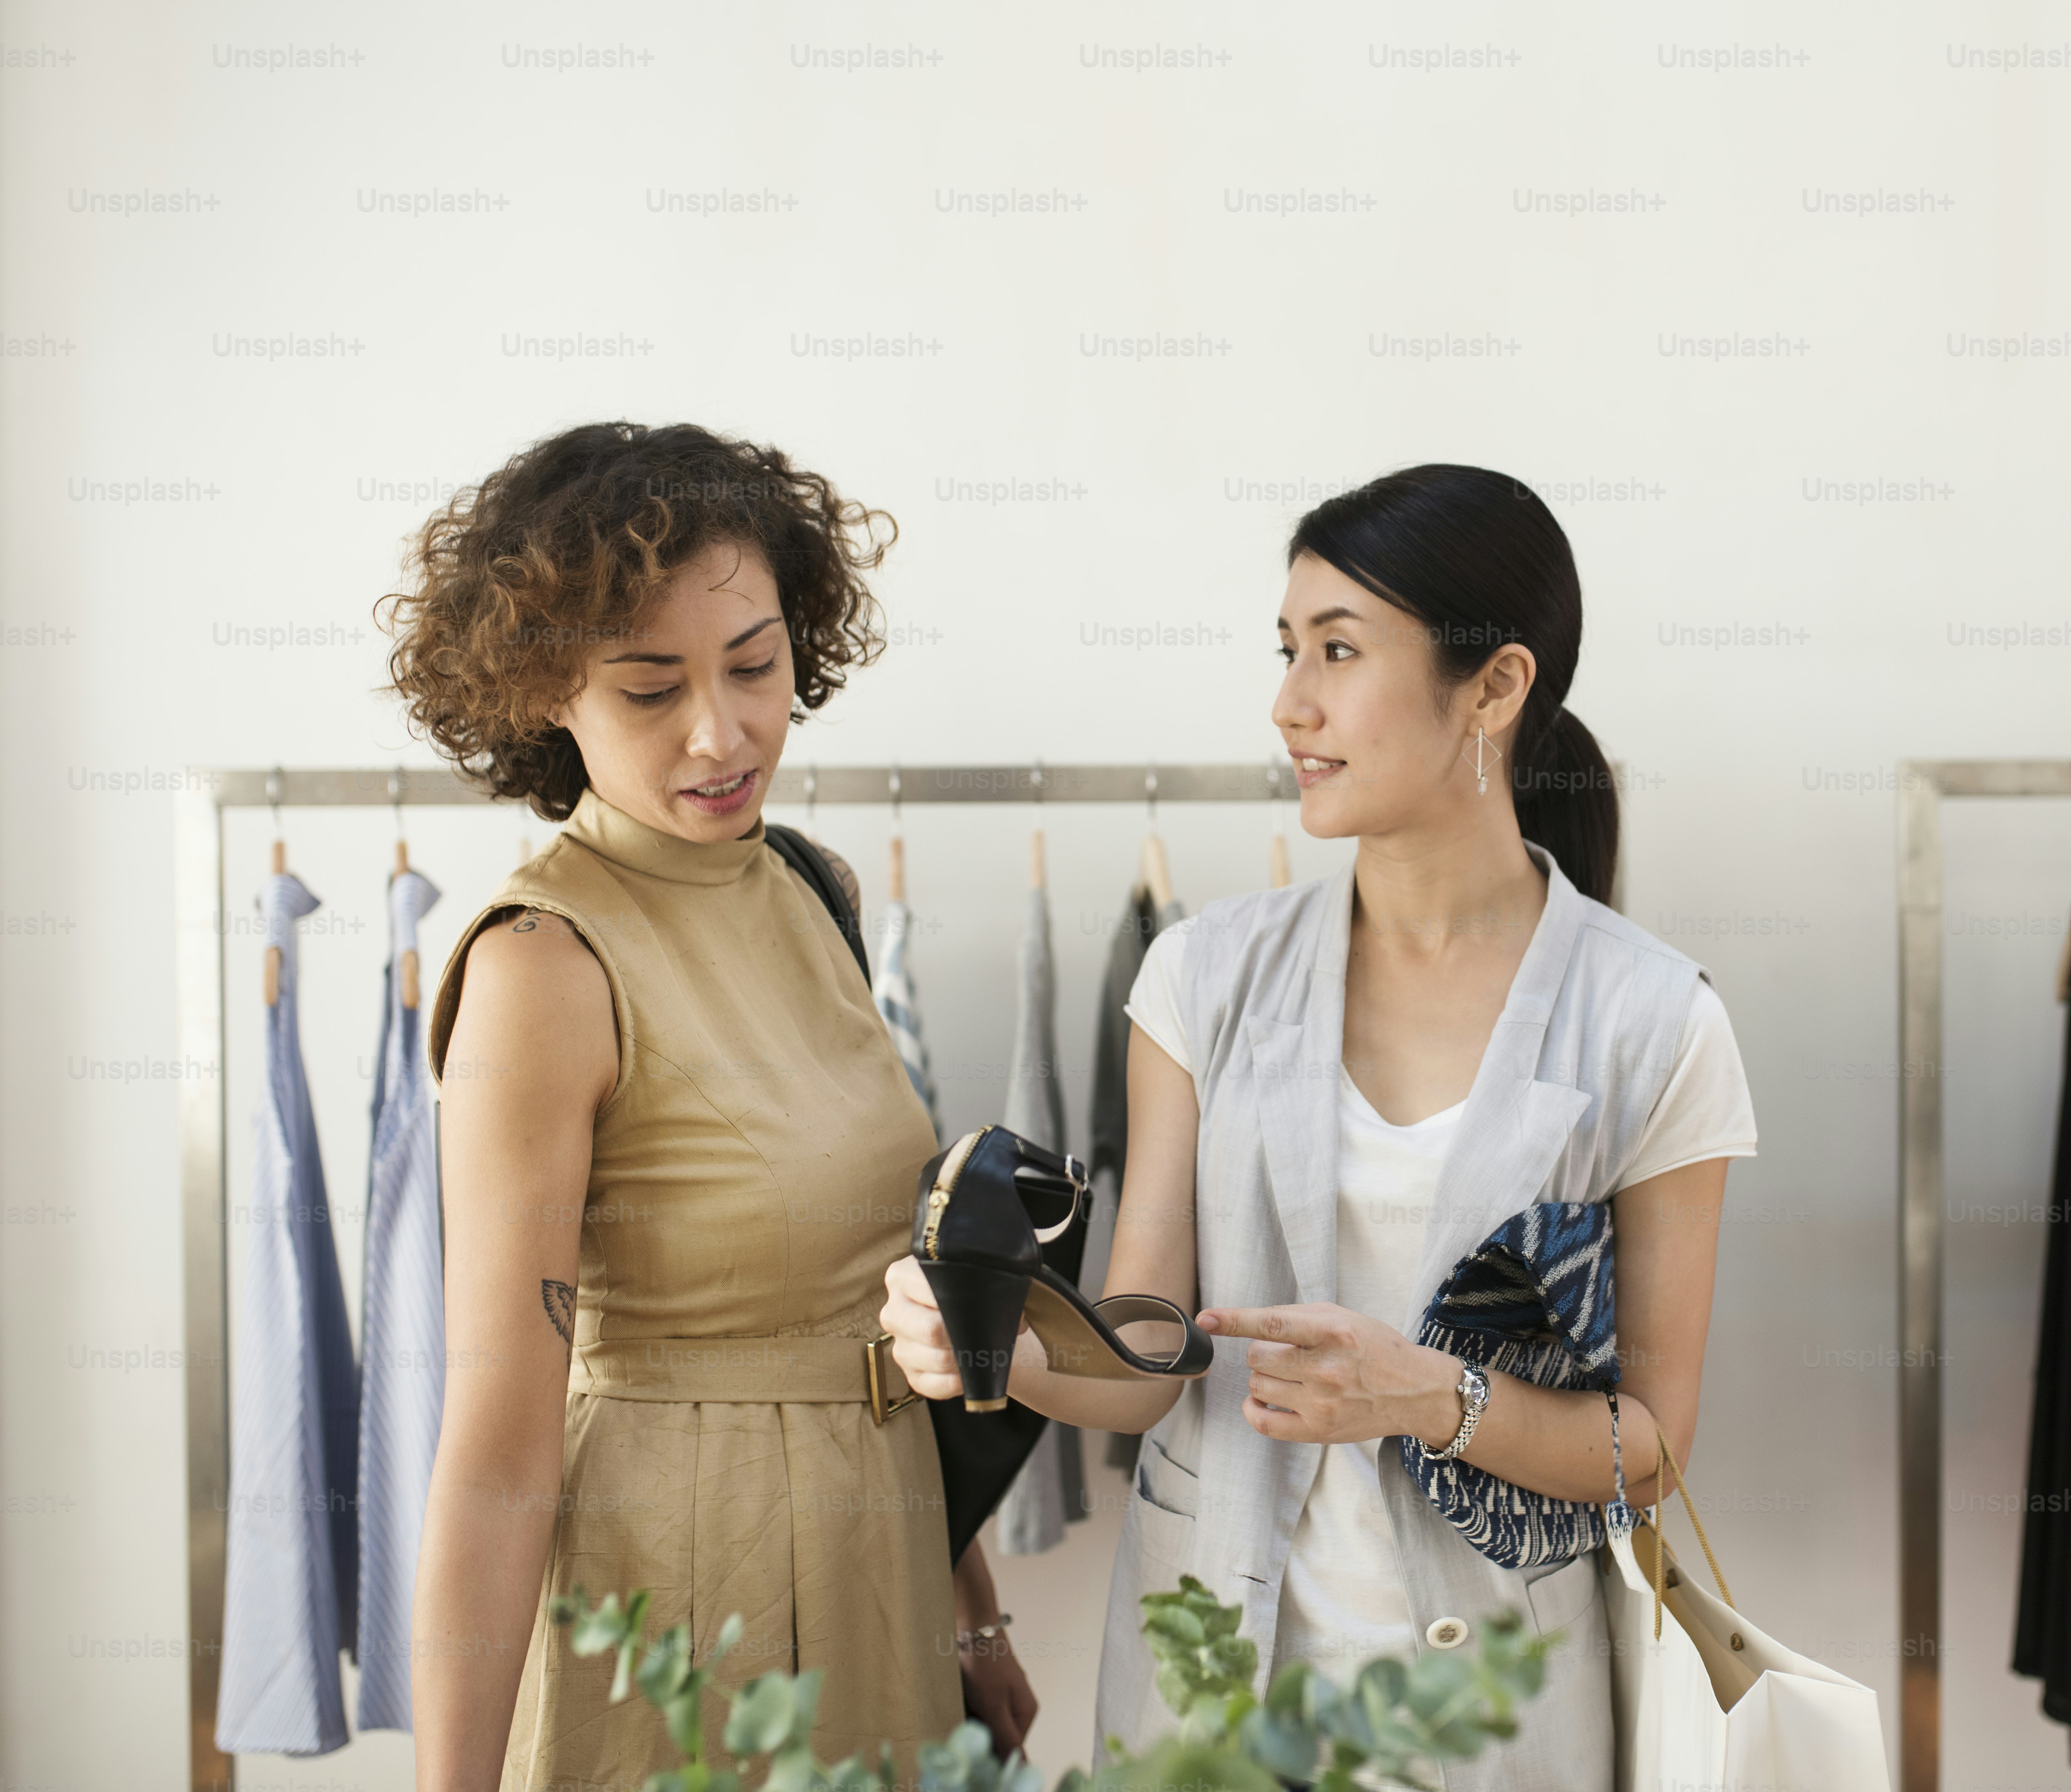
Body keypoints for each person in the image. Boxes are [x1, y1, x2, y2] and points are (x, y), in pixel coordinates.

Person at [880, 464, 1758, 1788]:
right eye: (1289, 650)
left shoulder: (1656, 1021)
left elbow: (1652, 1440)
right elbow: (1145, 1357)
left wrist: (1433, 1396)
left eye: (1339, 652)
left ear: (1496, 687)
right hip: (1210, 1688)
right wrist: (984, 1345)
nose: (1291, 701)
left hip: (1498, 1719)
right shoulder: (1199, 976)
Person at [385, 422, 1032, 1791]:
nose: (720, 731)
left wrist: (971, 1605)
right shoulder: (542, 965)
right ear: (547, 692)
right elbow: (498, 1438)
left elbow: (881, 1294)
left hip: (886, 1551)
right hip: (678, 1574)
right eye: (646, 687)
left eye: (754, 665)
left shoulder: (815, 887)